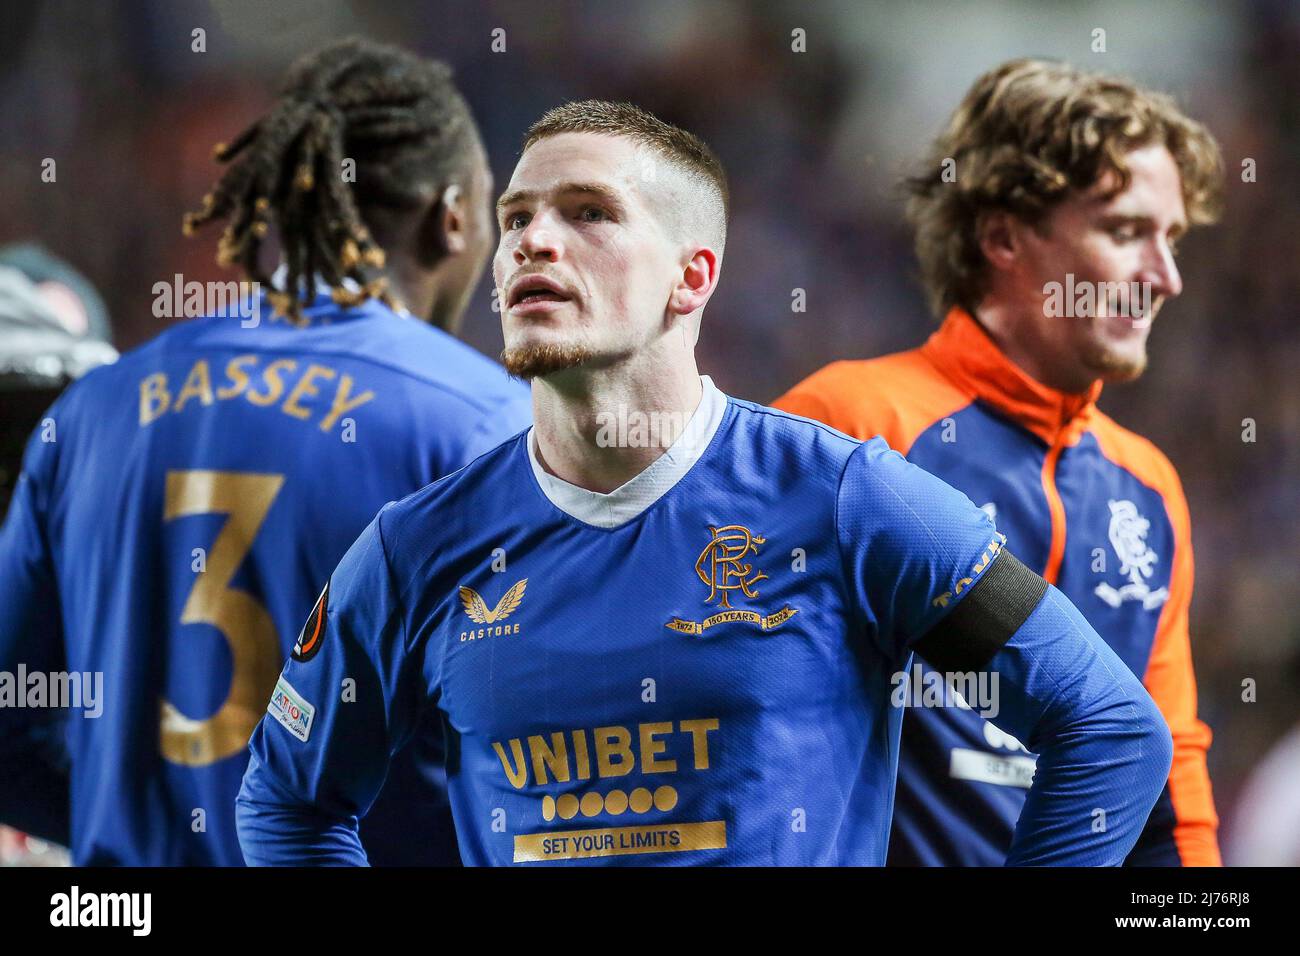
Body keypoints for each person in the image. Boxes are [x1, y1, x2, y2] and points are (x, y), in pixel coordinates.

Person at [237, 100, 1172, 866]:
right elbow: (288, 805)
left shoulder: (849, 502)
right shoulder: (416, 550)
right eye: (515, 217)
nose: (531, 242)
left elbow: (1108, 729)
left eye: (588, 213)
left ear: (694, 276)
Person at [0, 37, 530, 866]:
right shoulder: (487, 426)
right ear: (454, 216)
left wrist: (139, 825)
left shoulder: (93, 411)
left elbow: (8, 731)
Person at [774, 59, 1222, 866]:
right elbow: (745, 703)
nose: (1166, 277)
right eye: (1126, 231)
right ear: (1003, 236)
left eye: (1174, 238)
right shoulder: (849, 424)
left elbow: (1171, 786)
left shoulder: (1149, 487)